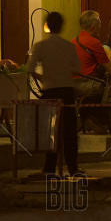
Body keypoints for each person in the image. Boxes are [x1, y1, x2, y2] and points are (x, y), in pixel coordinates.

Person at [27, 11, 82, 177]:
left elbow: (30, 69)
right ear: (62, 26)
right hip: (67, 92)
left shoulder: (40, 46)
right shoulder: (69, 46)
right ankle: (73, 168)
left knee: (50, 132)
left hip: (50, 91)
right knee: (70, 132)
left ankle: (49, 168)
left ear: (47, 25)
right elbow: (77, 69)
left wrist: (44, 78)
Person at [74, 10, 111, 130]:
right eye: (99, 23)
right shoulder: (93, 43)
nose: (101, 26)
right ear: (93, 26)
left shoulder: (75, 41)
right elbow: (110, 66)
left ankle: (94, 118)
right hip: (87, 84)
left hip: (73, 83)